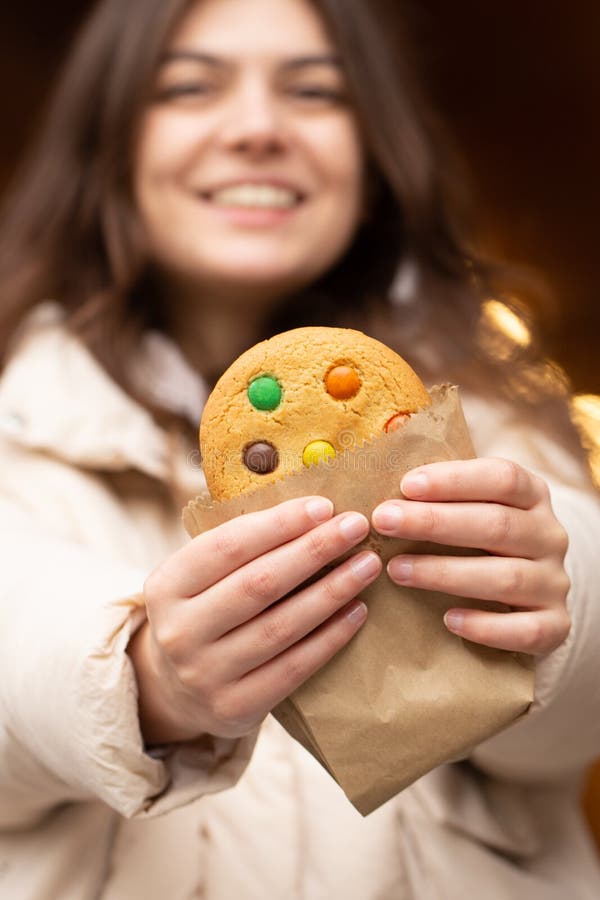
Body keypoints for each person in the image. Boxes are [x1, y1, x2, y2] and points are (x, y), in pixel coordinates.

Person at [0, 0, 598, 897]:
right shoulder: (17, 425)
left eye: (314, 93)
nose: (256, 128)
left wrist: (558, 608)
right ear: (110, 143)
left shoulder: (492, 420)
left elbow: (581, 721)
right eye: (190, 87)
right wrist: (144, 681)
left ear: (374, 154)